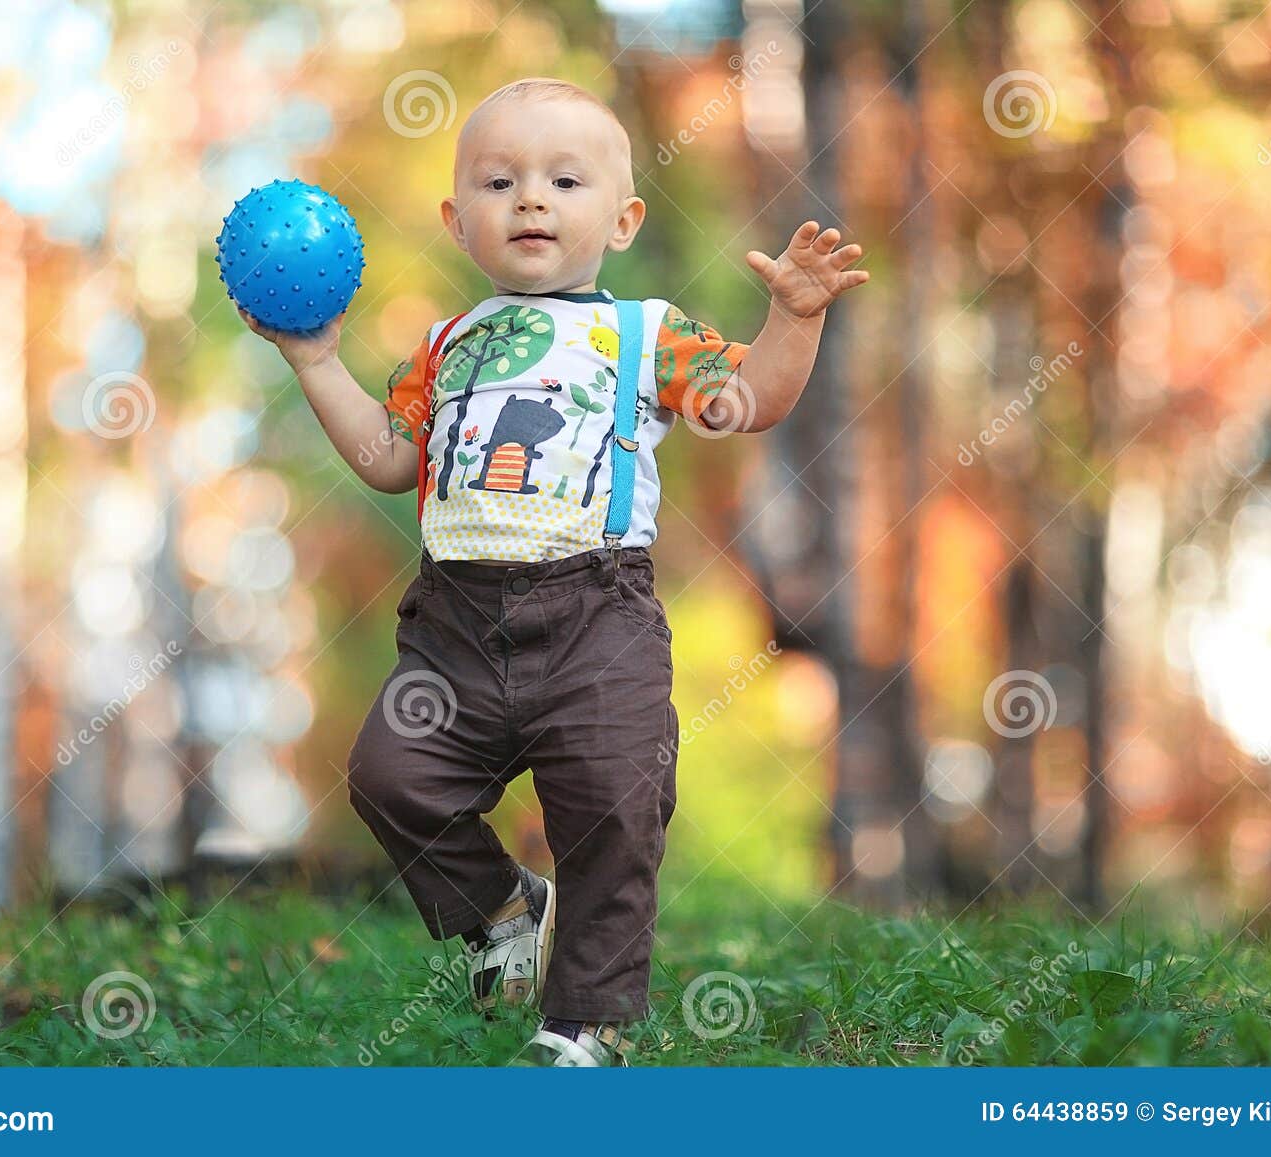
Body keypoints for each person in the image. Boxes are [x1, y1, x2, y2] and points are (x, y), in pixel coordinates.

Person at [239, 76, 868, 1066]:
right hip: (453, 620)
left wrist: (794, 317)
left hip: (595, 616)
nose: (530, 198)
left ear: (620, 219)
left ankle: (586, 1022)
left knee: (616, 807)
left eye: (563, 179)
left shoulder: (642, 333)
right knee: (389, 773)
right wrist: (316, 360)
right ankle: (499, 906)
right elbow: (386, 461)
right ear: (458, 220)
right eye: (499, 181)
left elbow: (744, 400)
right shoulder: (443, 348)